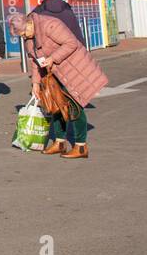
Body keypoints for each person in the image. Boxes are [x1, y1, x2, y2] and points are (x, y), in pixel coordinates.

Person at [8, 11, 108, 159]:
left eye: (23, 33)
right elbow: (35, 62)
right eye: (21, 36)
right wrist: (35, 83)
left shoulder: (50, 25)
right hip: (53, 74)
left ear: (28, 23)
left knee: (74, 105)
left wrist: (53, 58)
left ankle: (81, 146)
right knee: (54, 106)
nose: (24, 37)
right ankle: (60, 142)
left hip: (71, 69)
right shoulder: (29, 37)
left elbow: (71, 43)